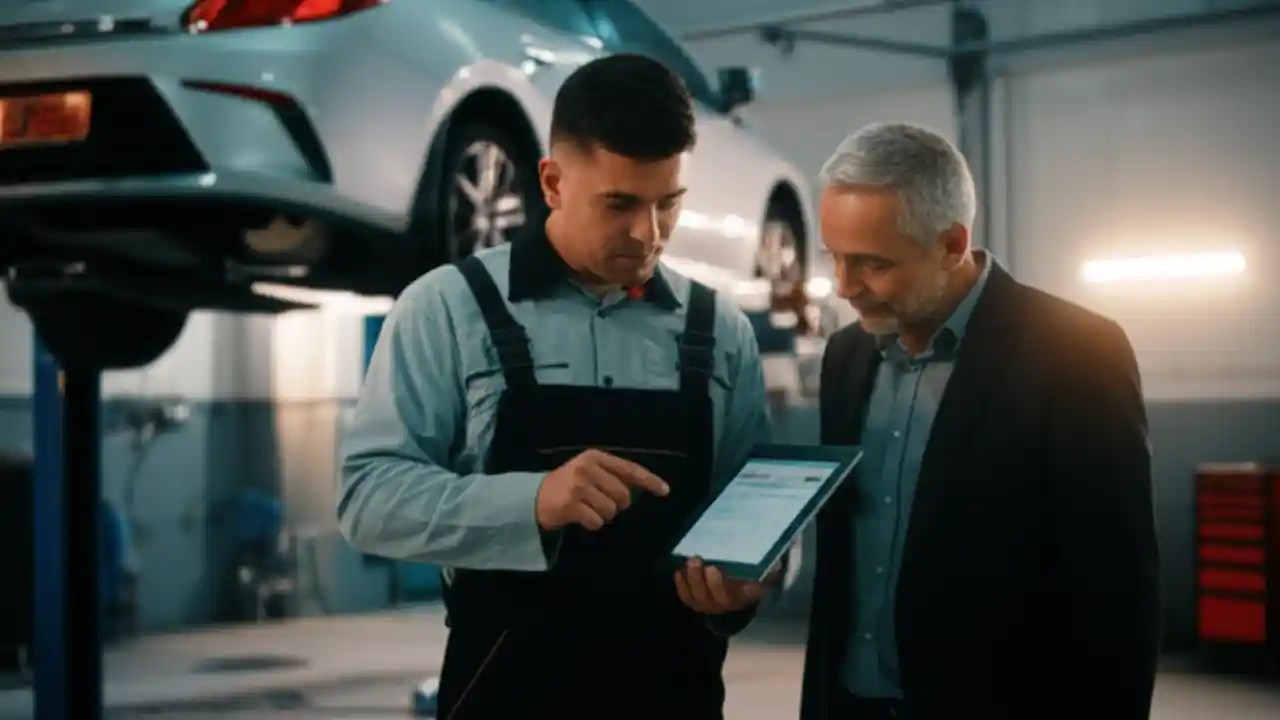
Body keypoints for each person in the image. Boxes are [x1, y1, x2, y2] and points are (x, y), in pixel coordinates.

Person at [337, 54, 772, 719]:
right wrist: (532, 501)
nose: (647, 234)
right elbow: (367, 497)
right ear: (552, 181)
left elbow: (759, 515)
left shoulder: (722, 332)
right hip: (504, 689)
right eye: (619, 204)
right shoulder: (448, 309)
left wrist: (752, 583)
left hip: (674, 692)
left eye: (668, 205)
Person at [801, 123, 1161, 720]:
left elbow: (1117, 594)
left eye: (873, 264)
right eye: (834, 257)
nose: (844, 287)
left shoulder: (1077, 353)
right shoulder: (847, 356)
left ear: (951, 244)